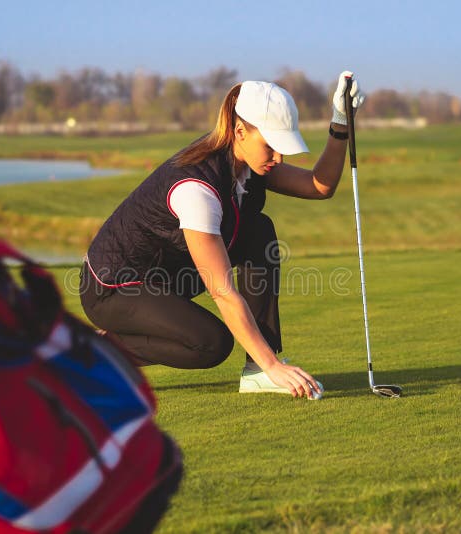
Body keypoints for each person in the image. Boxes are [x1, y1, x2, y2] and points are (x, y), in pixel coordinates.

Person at [80, 71, 365, 400]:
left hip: (165, 275)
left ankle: (257, 372)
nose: (279, 158)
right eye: (271, 145)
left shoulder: (249, 162)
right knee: (209, 344)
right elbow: (224, 293)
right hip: (113, 286)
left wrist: (341, 122)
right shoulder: (198, 189)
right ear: (240, 131)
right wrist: (275, 365)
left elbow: (319, 186)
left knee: (258, 231)